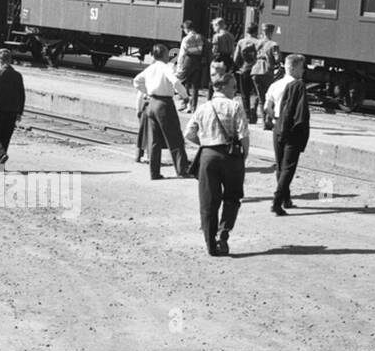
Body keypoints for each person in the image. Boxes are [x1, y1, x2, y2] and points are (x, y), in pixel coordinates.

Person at [185, 62, 249, 255]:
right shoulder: (235, 106)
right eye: (233, 87)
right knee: (232, 197)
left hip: (207, 156)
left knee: (208, 201)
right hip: (231, 156)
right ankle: (223, 233)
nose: (236, 90)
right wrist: (243, 156)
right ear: (222, 87)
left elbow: (188, 133)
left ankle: (210, 244)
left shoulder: (203, 107)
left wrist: (206, 142)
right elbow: (243, 134)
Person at [133, 45, 190, 179]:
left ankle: (154, 172)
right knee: (175, 137)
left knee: (154, 140)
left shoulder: (150, 68)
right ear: (164, 54)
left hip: (151, 103)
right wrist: (184, 95)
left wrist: (147, 91)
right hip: (164, 104)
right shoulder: (167, 67)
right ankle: (181, 170)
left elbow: (136, 81)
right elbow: (175, 81)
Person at [264, 53, 311, 215]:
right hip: (291, 129)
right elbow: (301, 113)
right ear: (295, 68)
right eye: (301, 67)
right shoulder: (298, 85)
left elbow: (267, 108)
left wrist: (276, 119)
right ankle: (277, 201)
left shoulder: (275, 85)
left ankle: (286, 199)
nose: (303, 71)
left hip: (277, 127)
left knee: (280, 165)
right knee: (289, 167)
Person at [252, 23, 281, 122]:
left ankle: (253, 114)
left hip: (255, 71)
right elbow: (277, 59)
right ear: (271, 32)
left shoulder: (257, 43)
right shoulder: (274, 45)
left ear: (263, 31)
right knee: (267, 96)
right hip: (267, 71)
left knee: (259, 95)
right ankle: (266, 121)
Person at [175, 20, 204, 112]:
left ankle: (184, 103)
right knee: (195, 86)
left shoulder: (186, 39)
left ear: (186, 28)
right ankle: (193, 107)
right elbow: (200, 50)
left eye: (184, 29)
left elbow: (182, 54)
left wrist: (179, 66)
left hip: (188, 61)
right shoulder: (199, 37)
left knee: (182, 82)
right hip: (197, 62)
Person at [235, 22, 262, 120]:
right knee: (257, 92)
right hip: (256, 70)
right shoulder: (259, 42)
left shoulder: (241, 42)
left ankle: (247, 115)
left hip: (244, 69)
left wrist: (240, 66)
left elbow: (236, 58)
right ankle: (254, 108)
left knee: (244, 93)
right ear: (256, 31)